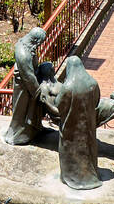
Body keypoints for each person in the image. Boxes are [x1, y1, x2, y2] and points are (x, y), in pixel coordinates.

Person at [39, 56, 102, 189]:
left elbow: (58, 110)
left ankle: (72, 177)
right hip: (88, 127)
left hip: (71, 129)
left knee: (71, 153)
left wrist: (45, 102)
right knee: (88, 151)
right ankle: (90, 176)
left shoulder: (67, 87)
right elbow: (96, 102)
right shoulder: (93, 83)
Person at [4, 29, 48, 145]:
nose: (39, 46)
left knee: (31, 110)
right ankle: (18, 135)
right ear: (35, 40)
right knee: (22, 111)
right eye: (39, 43)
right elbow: (29, 76)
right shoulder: (24, 54)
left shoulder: (24, 43)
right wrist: (38, 93)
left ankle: (36, 128)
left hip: (28, 84)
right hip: (24, 88)